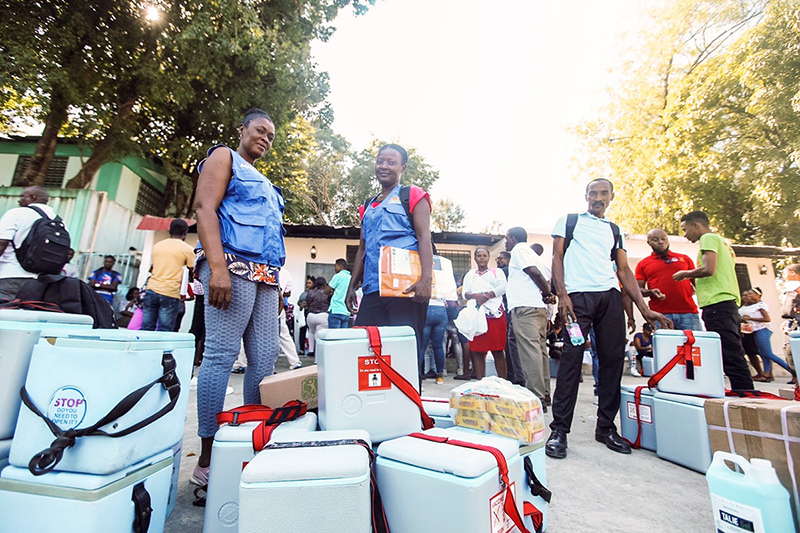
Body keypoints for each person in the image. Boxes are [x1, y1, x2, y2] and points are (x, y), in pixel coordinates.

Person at [191, 108, 285, 487]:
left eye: (271, 136)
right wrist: (217, 268)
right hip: (230, 266)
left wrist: (277, 286)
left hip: (265, 277)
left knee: (263, 360)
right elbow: (204, 209)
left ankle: (249, 442)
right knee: (220, 355)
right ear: (242, 129)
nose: (265, 138)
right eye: (260, 130)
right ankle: (207, 459)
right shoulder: (223, 156)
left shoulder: (266, 181)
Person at [547, 178, 671, 460]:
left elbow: (624, 270)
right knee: (571, 362)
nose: (598, 198)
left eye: (604, 193)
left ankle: (605, 428)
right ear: (586, 196)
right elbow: (557, 258)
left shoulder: (615, 230)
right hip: (578, 299)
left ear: (612, 197)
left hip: (610, 298)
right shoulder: (569, 221)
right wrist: (562, 295)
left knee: (613, 363)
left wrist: (643, 308)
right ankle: (559, 431)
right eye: (593, 193)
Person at [346, 144, 433, 371]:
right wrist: (351, 286)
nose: (384, 166)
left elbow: (424, 237)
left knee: (404, 355)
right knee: (365, 348)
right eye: (380, 161)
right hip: (373, 290)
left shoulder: (412, 195)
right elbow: (362, 249)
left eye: (391, 162)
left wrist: (426, 280)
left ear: (402, 167)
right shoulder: (367, 205)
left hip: (406, 290)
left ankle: (410, 405)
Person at [674, 211, 754, 391]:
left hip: (718, 304)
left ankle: (745, 394)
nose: (685, 235)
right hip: (725, 302)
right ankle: (743, 390)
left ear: (697, 225)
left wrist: (685, 274)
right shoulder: (723, 243)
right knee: (730, 350)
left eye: (686, 230)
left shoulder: (708, 238)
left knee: (729, 352)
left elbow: (709, 269)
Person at [505, 226, 554, 408]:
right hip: (537, 308)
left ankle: (536, 396)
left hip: (525, 308)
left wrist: (547, 292)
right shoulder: (533, 254)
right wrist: (547, 293)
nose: (505, 242)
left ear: (514, 239)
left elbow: (533, 272)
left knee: (529, 352)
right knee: (540, 352)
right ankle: (545, 394)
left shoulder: (519, 250)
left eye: (506, 238)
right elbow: (546, 276)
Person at [0, 186, 62, 300]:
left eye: (22, 197)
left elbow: (2, 242)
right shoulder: (58, 220)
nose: (19, 201)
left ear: (32, 197)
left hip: (10, 276)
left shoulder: (17, 213)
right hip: (42, 281)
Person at [635, 228, 702, 330]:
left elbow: (698, 283)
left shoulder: (684, 259)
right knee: (664, 346)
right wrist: (651, 292)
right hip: (660, 315)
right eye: (655, 239)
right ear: (649, 243)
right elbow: (638, 290)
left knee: (694, 344)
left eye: (663, 239)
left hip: (689, 313)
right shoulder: (643, 264)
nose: (660, 242)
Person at [462, 247, 508, 380]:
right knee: (477, 350)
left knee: (498, 349)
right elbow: (465, 292)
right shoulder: (470, 274)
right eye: (479, 255)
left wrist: (487, 295)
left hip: (495, 315)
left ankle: (502, 381)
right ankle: (480, 381)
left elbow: (503, 287)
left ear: (488, 258)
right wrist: (476, 296)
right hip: (476, 316)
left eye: (484, 255)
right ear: (475, 258)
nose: (482, 258)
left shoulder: (497, 272)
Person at [141, 219, 195, 331]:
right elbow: (192, 271)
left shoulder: (157, 246)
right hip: (170, 292)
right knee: (165, 329)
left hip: (151, 289)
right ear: (185, 233)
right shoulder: (187, 249)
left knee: (146, 327)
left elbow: (152, 268)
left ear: (170, 231)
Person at [739, 288, 796, 383]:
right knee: (763, 353)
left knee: (767, 353)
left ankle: (793, 371)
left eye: (750, 294)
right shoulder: (746, 306)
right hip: (754, 331)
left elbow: (767, 319)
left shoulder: (761, 305)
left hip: (763, 330)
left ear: (758, 295)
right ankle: (766, 374)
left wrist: (750, 318)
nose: (748, 296)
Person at [497, 251, 525, 386]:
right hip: (512, 309)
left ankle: (513, 376)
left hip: (509, 310)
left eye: (501, 258)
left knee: (510, 345)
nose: (498, 260)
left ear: (508, 259)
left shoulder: (504, 272)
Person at [277, 267, 302, 369]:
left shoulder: (264, 268)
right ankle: (295, 361)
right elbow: (288, 292)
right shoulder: (285, 273)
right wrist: (282, 293)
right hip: (279, 306)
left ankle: (240, 364)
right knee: (284, 335)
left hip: (262, 304)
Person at [305, 276, 330, 358]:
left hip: (311, 315)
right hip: (323, 315)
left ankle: (311, 350)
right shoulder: (327, 293)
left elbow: (308, 304)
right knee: (320, 336)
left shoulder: (310, 292)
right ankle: (318, 354)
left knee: (311, 332)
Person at [328, 258, 352, 328]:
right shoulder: (350, 278)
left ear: (340, 266)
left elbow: (327, 290)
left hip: (336, 310)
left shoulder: (338, 276)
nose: (334, 268)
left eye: (335, 266)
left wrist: (331, 291)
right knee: (342, 336)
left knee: (334, 336)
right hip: (346, 312)